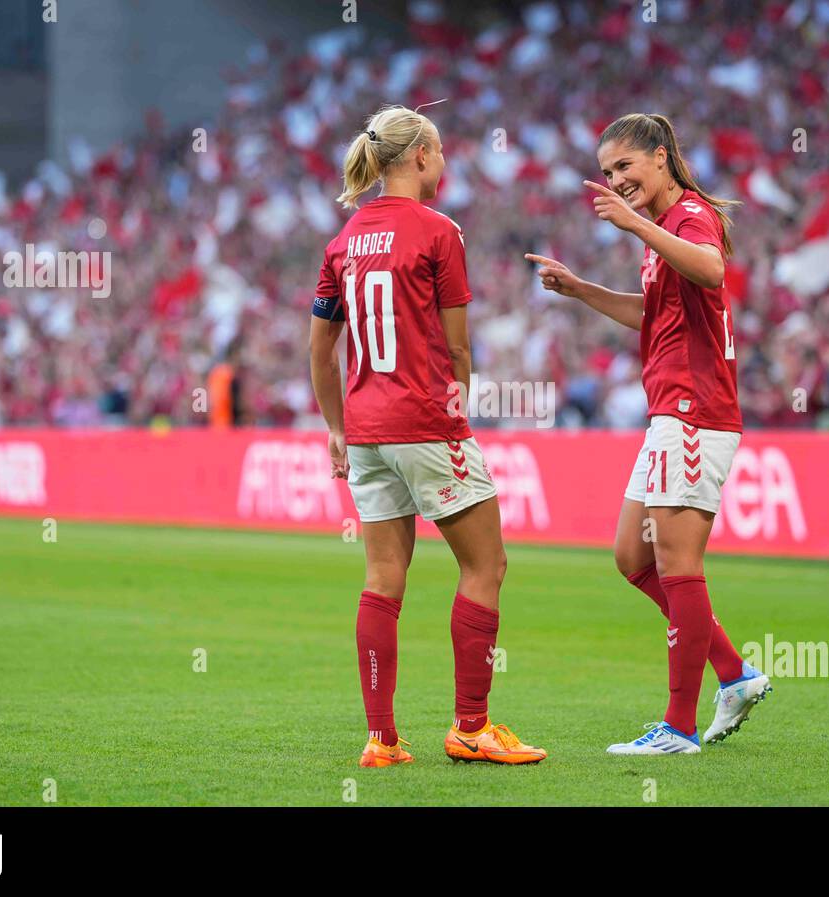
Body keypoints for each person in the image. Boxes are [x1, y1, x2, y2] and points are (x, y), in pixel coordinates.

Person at [310, 105, 546, 768]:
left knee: (384, 575)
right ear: (419, 156)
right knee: (485, 565)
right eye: (440, 154)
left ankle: (381, 739)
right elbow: (458, 347)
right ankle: (471, 725)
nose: (444, 165)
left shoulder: (343, 240)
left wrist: (335, 425)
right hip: (425, 420)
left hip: (365, 432)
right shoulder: (439, 231)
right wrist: (457, 409)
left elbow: (320, 348)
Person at [526, 113, 770, 755]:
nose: (616, 181)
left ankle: (680, 728)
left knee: (677, 563)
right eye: (607, 173)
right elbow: (653, 312)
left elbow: (713, 270)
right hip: (672, 410)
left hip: (694, 411)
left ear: (660, 158)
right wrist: (581, 291)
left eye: (625, 167)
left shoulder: (687, 216)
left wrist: (635, 222)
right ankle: (736, 675)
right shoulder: (661, 230)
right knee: (632, 558)